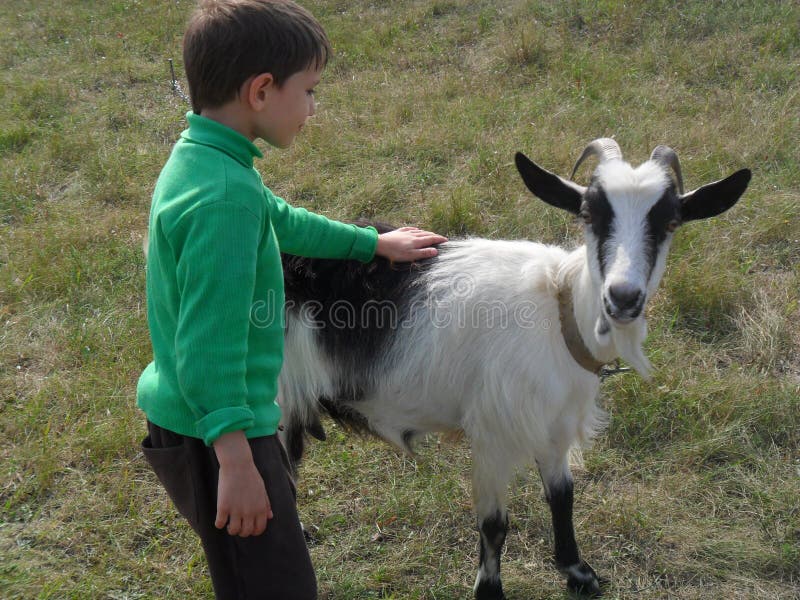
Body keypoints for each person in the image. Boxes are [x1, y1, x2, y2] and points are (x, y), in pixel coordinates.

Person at [136, 1, 447, 598]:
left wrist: (371, 244)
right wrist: (236, 463)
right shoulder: (222, 201)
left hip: (211, 420)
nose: (311, 109)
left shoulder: (206, 160)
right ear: (260, 90)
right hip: (220, 431)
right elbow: (208, 349)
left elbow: (278, 218)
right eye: (307, 91)